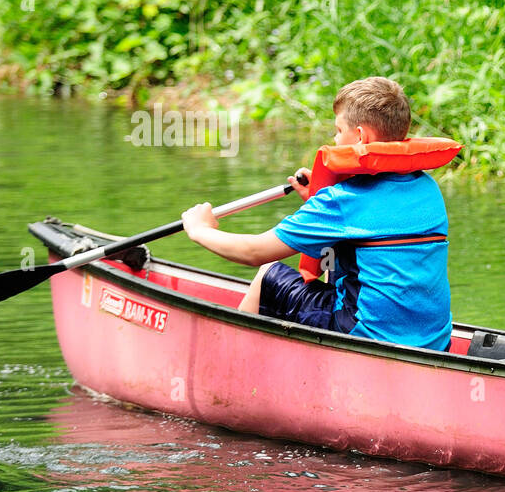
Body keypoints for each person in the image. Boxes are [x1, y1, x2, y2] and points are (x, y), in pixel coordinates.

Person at [181, 77, 453, 350]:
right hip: (435, 341)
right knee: (338, 260)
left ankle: (230, 364)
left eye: (338, 130)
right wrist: (316, 198)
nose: (334, 139)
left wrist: (200, 229)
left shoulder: (342, 201)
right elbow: (364, 230)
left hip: (368, 337)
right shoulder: (428, 188)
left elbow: (252, 252)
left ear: (359, 137)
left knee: (267, 276)